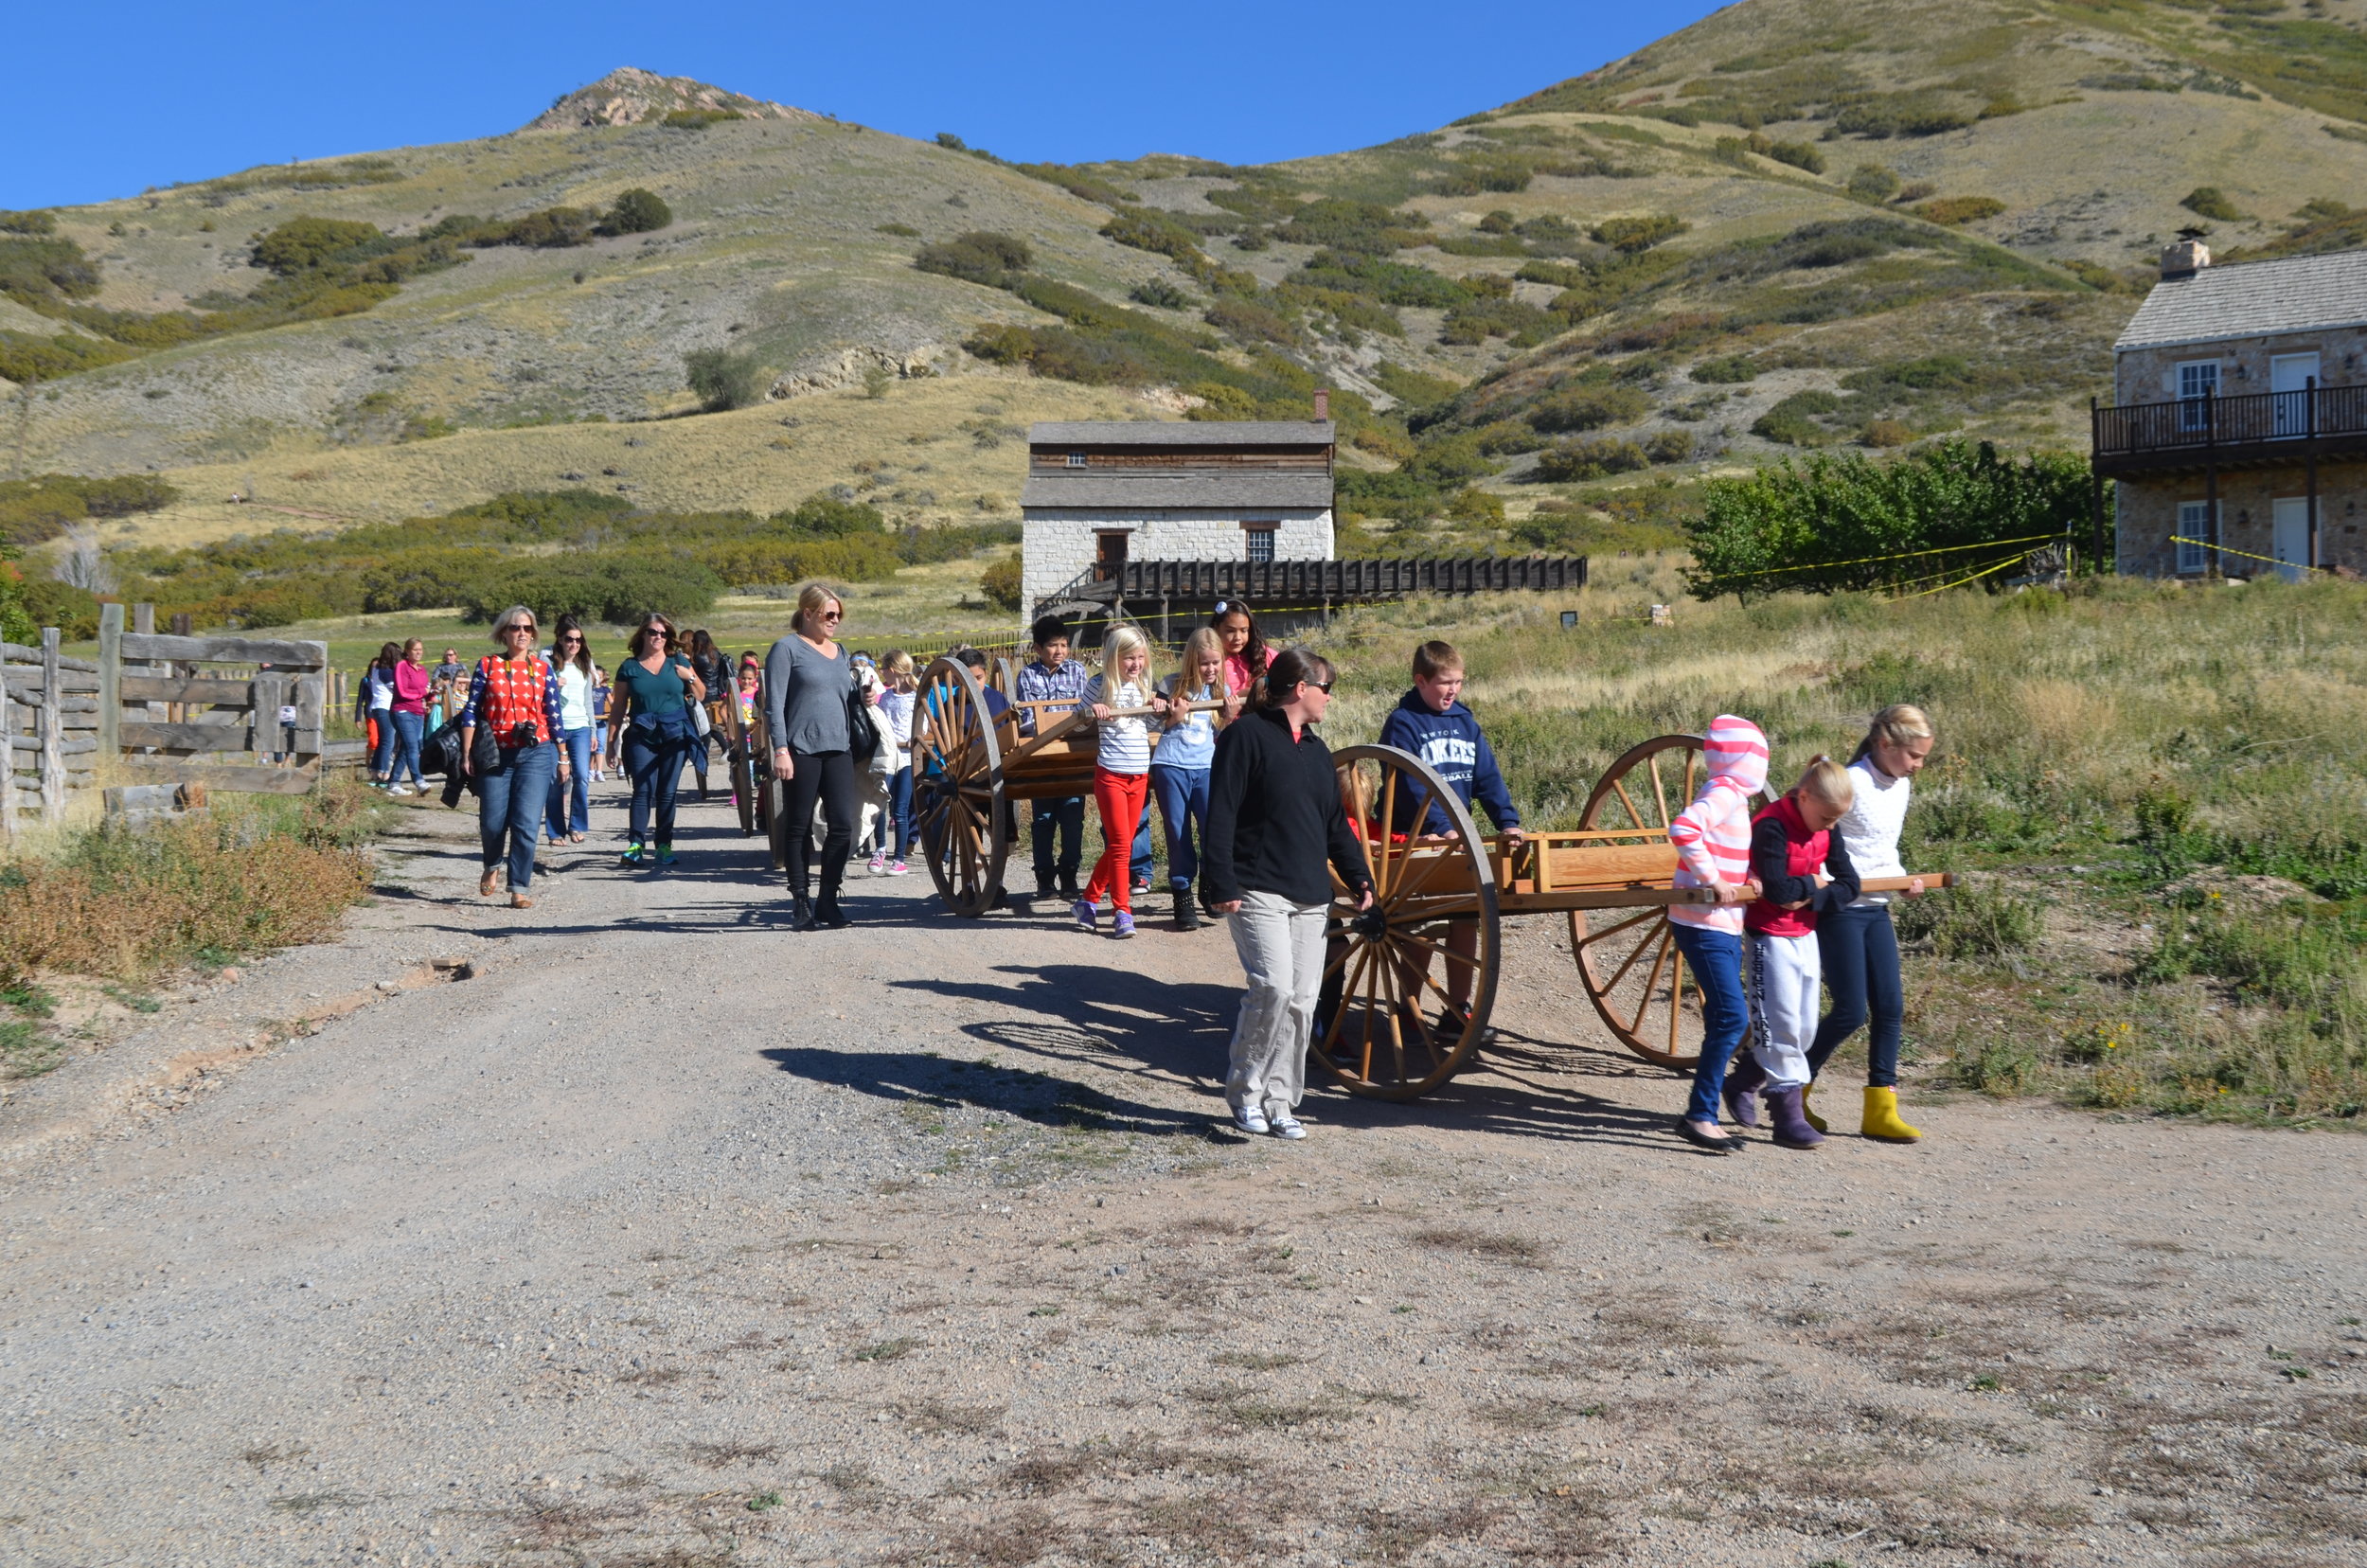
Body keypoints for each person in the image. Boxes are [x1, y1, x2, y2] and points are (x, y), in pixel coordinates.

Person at [1202, 648, 1374, 1139]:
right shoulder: (1245, 737)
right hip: (1258, 889)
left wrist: (1359, 876)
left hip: (1310, 895)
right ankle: (1245, 1092)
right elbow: (1222, 814)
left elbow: (1334, 826)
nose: (1329, 699)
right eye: (1327, 689)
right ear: (1302, 688)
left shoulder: (1318, 752)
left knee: (1301, 1001)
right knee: (1272, 989)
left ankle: (1281, 1103)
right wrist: (1221, 881)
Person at [1376, 640, 1524, 1027]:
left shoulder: (1465, 723)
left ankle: (1458, 1009)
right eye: (1444, 683)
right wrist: (1442, 827)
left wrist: (1507, 821)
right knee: (1419, 925)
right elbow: (1410, 784)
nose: (1452, 690)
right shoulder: (1403, 723)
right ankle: (1408, 1008)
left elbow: (1487, 778)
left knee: (1465, 918)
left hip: (1457, 838)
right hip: (1414, 839)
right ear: (1420, 680)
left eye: (1458, 682)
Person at [1806, 704, 1936, 1143]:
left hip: (1877, 905)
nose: (1918, 766)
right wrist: (1821, 880)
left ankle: (1880, 1108)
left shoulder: (1898, 786)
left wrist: (1903, 881)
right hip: (1841, 908)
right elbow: (1814, 832)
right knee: (1849, 1011)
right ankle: (1792, 1090)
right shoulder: (1851, 783)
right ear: (1885, 745)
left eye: (1922, 757)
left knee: (1891, 1007)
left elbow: (1883, 847)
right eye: (1913, 756)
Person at [1731, 757, 1861, 1150]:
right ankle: (1788, 1116)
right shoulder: (1771, 827)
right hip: (1768, 934)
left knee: (1804, 1027)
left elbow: (1849, 884)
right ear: (1803, 797)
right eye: (1825, 817)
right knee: (1780, 1019)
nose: (1830, 827)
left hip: (1804, 932)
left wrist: (1812, 893)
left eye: (1836, 820)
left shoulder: (1826, 828)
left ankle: (1741, 1081)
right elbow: (1778, 892)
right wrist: (1815, 884)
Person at [1664, 716, 1770, 1153]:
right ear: (1746, 759)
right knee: (1732, 1018)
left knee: (1725, 1017)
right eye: (1760, 756)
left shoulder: (1736, 800)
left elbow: (1728, 847)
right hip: (1702, 922)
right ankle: (1700, 1115)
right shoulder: (1724, 793)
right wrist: (1712, 880)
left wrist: (1746, 877)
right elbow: (1684, 829)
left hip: (1722, 923)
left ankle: (1704, 1108)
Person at [459, 607, 569, 909]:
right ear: (503, 633)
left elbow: (553, 715)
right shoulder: (487, 665)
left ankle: (519, 886)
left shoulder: (543, 669)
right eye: (515, 627)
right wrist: (467, 752)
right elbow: (470, 711)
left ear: (533, 634)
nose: (522, 633)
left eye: (527, 628)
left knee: (526, 823)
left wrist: (563, 756)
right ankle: (492, 863)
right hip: (495, 753)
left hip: (537, 752)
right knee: (493, 822)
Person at [766, 583, 859, 930]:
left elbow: (844, 700)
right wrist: (780, 749)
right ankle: (801, 901)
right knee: (798, 826)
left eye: (839, 615)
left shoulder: (841, 650)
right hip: (800, 749)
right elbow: (773, 705)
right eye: (829, 614)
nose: (835, 620)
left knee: (842, 827)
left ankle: (828, 900)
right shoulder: (786, 650)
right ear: (808, 613)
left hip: (839, 748)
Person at [1075, 626, 1162, 938]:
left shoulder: (1142, 686)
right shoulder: (1098, 685)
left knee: (1119, 845)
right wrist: (1091, 711)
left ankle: (1087, 901)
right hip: (1111, 774)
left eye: (1140, 657)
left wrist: (1158, 710)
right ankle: (1122, 912)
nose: (1136, 664)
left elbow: (1148, 724)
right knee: (1122, 845)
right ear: (1114, 658)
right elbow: (1078, 718)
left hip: (1139, 774)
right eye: (1129, 658)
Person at [1149, 628, 1237, 931]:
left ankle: (1209, 885)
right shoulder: (1170, 685)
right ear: (1191, 661)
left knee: (1213, 828)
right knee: (1177, 831)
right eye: (1204, 664)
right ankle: (1182, 893)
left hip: (1206, 767)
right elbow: (1149, 725)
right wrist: (1172, 716)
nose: (1211, 669)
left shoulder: (1221, 692)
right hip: (1171, 764)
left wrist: (1228, 718)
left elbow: (1222, 737)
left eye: (1215, 663)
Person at [603, 612, 705, 867]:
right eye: (652, 632)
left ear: (668, 637)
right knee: (642, 790)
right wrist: (611, 742)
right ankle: (636, 845)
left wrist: (689, 677)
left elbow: (701, 694)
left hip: (675, 733)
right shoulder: (629, 667)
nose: (658, 637)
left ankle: (663, 846)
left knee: (667, 792)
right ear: (643, 635)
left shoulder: (678, 662)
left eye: (663, 633)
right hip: (641, 733)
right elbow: (617, 709)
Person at [1012, 615, 1092, 908]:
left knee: (1073, 817)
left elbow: (1083, 708)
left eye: (1063, 645)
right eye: (1051, 646)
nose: (1059, 651)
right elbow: (1029, 718)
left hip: (1073, 751)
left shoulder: (1077, 671)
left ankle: (1069, 874)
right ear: (1037, 648)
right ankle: (1044, 878)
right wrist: (1055, 725)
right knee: (1043, 819)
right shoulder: (1028, 675)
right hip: (1041, 754)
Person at [544, 615, 596, 845]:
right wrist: (553, 685)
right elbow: (539, 694)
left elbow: (588, 701)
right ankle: (555, 831)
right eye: (569, 640)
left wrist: (593, 730)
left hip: (581, 727)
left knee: (582, 777)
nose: (574, 644)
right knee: (557, 779)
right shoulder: (548, 662)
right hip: (556, 728)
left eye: (578, 640)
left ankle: (576, 825)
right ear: (560, 639)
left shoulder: (584, 664)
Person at [870, 650, 917, 876]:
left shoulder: (916, 698)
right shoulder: (885, 698)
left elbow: (923, 726)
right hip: (887, 758)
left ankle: (898, 858)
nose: (881, 673)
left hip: (907, 759)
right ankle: (879, 849)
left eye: (883, 669)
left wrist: (910, 740)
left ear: (893, 670)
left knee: (900, 810)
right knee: (880, 805)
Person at [685, 630, 735, 803]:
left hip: (704, 694)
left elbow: (695, 677)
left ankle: (717, 748)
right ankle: (724, 747)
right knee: (710, 725)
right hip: (718, 693)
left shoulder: (698, 656)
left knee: (706, 726)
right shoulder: (716, 653)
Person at [387, 639, 431, 796]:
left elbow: (426, 690)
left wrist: (431, 694)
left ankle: (394, 782)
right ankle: (419, 781)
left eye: (420, 649)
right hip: (402, 711)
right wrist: (422, 693)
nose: (418, 652)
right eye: (415, 650)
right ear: (407, 651)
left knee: (407, 748)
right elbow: (401, 691)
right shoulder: (402, 667)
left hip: (418, 712)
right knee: (412, 746)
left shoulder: (422, 670)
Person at [1210, 602, 1271, 699]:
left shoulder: (1262, 653)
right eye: (1230, 631)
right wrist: (1238, 697)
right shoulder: (1208, 660)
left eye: (1244, 630)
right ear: (1217, 628)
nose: (1237, 637)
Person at [360, 642, 399, 786]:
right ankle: (384, 773)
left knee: (383, 741)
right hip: (385, 707)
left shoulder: (377, 669)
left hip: (377, 707)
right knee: (389, 740)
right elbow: (395, 689)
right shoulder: (386, 672)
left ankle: (375, 772)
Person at [590, 666, 612, 782]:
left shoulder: (604, 689)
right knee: (591, 747)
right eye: (595, 676)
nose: (597, 678)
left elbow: (611, 702)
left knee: (601, 745)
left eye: (599, 676)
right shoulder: (588, 688)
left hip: (601, 722)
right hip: (590, 722)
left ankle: (599, 771)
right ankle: (590, 771)